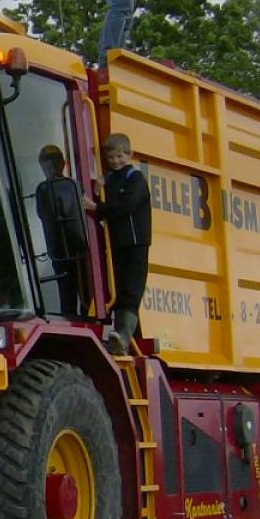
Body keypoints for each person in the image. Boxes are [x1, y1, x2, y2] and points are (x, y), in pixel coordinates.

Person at [99, 132, 152, 354]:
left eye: (120, 157)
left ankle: (124, 334)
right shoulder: (109, 179)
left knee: (131, 288)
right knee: (119, 288)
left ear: (130, 155)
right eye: (111, 158)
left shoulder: (135, 178)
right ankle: (120, 336)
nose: (116, 161)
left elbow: (126, 207)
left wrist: (97, 207)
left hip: (136, 241)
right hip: (117, 243)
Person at [32, 144, 88, 318]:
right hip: (72, 248)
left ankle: (72, 318)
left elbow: (42, 215)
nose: (49, 169)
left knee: (69, 294)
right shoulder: (73, 186)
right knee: (78, 292)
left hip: (66, 249)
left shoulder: (44, 190)